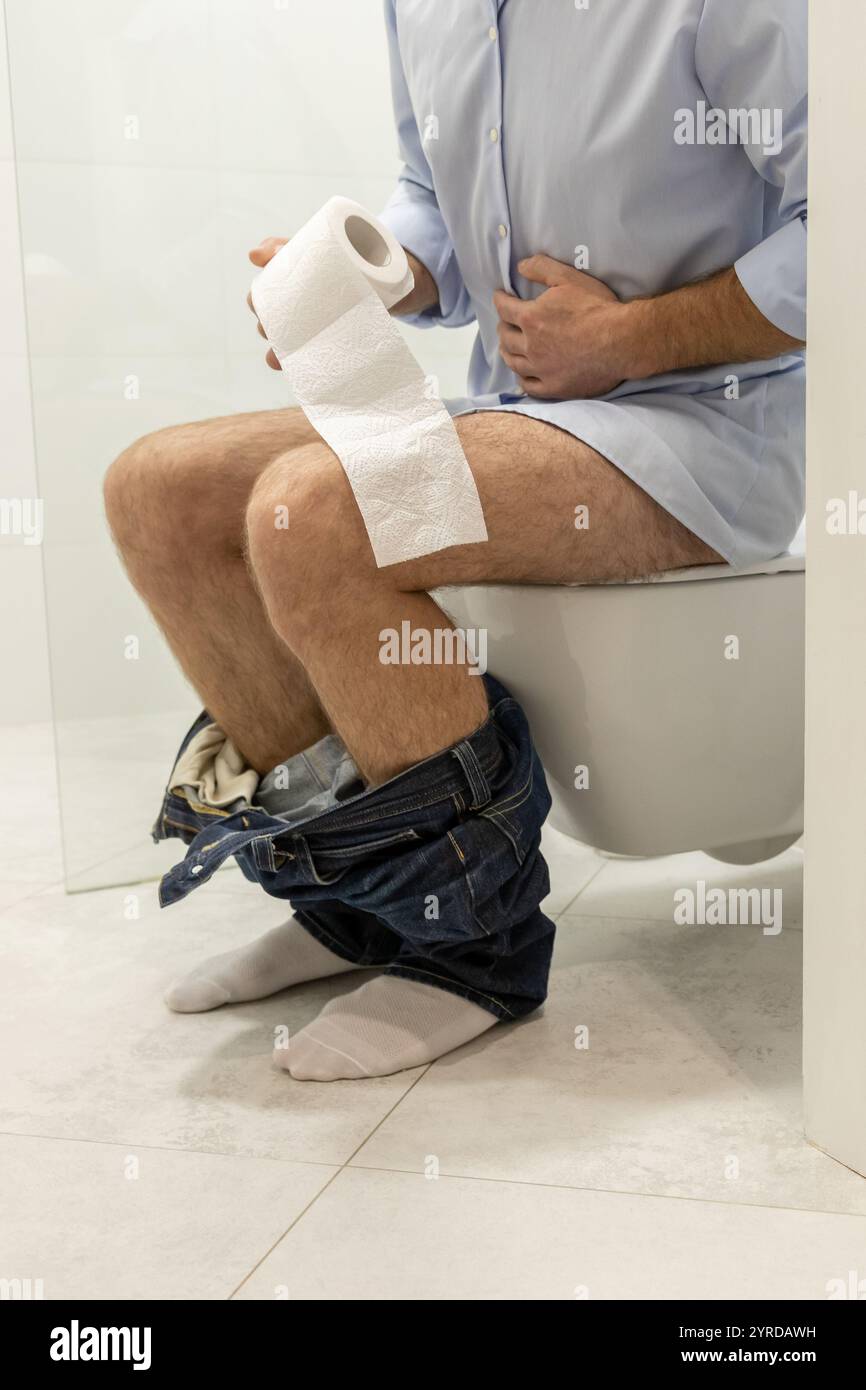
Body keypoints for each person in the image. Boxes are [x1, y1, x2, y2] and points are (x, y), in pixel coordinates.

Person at [103, 0, 807, 1080]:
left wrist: (629, 335)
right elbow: (431, 197)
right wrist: (379, 275)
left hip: (700, 432)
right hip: (526, 415)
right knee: (160, 489)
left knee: (316, 513)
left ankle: (471, 941)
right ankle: (355, 904)